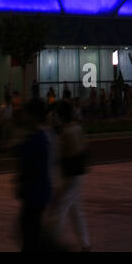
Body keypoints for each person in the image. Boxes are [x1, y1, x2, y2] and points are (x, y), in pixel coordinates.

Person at [15, 100, 54, 251]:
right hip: (38, 193)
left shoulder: (37, 139)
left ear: (32, 116)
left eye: (25, 113)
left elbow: (24, 158)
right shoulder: (42, 136)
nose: (23, 117)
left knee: (30, 235)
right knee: (31, 233)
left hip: (34, 193)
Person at [53, 101, 91, 250]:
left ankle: (53, 240)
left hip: (70, 173)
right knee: (75, 210)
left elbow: (72, 151)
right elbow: (83, 148)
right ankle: (85, 242)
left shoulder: (67, 131)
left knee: (61, 209)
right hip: (75, 173)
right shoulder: (76, 128)